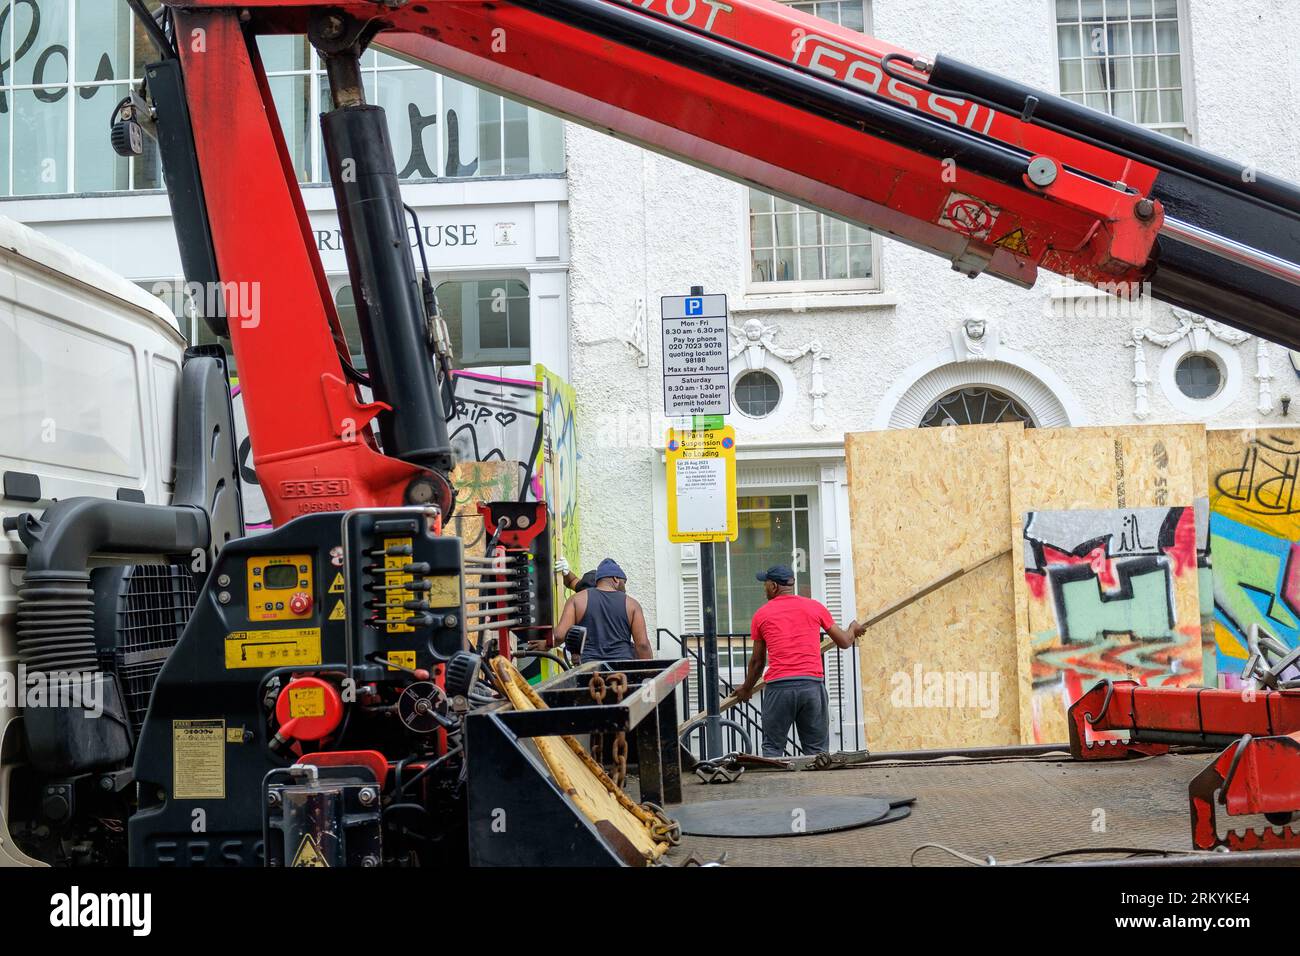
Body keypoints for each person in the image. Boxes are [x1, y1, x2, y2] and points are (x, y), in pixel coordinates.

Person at [735, 564, 864, 757]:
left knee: (773, 750)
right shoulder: (814, 607)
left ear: (773, 586)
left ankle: (777, 788)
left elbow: (757, 662)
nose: (764, 589)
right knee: (817, 753)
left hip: (780, 690)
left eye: (765, 584)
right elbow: (845, 642)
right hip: (811, 687)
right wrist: (853, 628)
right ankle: (815, 787)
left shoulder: (762, 614)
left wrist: (746, 688)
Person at [555, 558, 653, 663]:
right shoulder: (632, 605)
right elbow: (642, 645)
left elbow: (559, 635)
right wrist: (649, 672)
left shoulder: (577, 600)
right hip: (622, 668)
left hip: (588, 668)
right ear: (616, 579)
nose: (624, 588)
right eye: (624, 582)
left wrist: (544, 645)